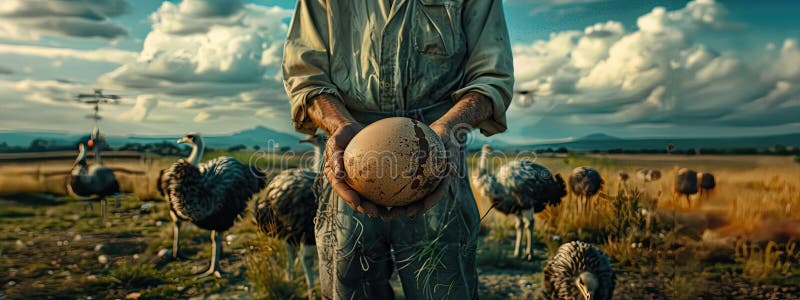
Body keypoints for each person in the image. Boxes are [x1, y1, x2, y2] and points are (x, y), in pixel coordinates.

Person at [282, 0, 513, 298]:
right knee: (349, 288)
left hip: (437, 161)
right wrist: (340, 126)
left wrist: (447, 129)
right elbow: (305, 75)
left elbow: (492, 77)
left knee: (443, 288)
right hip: (350, 162)